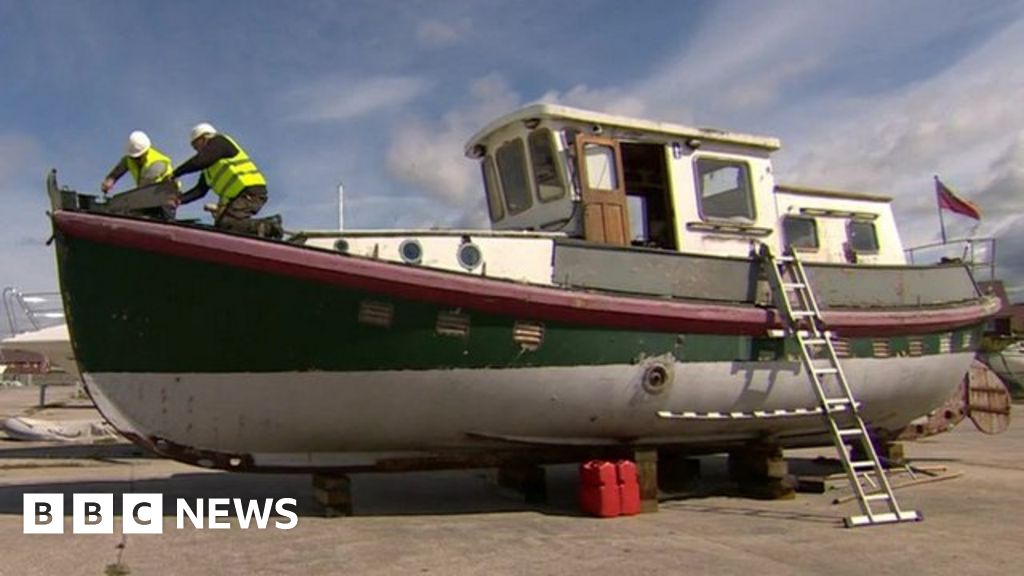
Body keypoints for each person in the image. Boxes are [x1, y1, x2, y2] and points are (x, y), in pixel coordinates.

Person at [172, 123, 280, 238]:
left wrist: (175, 173)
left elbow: (201, 161)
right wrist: (179, 200)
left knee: (227, 224)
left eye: (195, 145)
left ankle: (269, 227)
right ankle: (261, 232)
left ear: (204, 138)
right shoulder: (209, 169)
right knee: (221, 228)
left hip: (250, 191)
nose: (196, 149)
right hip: (239, 197)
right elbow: (199, 190)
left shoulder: (219, 142)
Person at [101, 130, 177, 219]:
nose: (136, 160)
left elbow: (144, 187)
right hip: (145, 195)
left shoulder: (157, 162)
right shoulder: (130, 159)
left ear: (146, 151)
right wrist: (109, 181)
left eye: (138, 157)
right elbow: (116, 172)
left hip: (164, 198)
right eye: (134, 157)